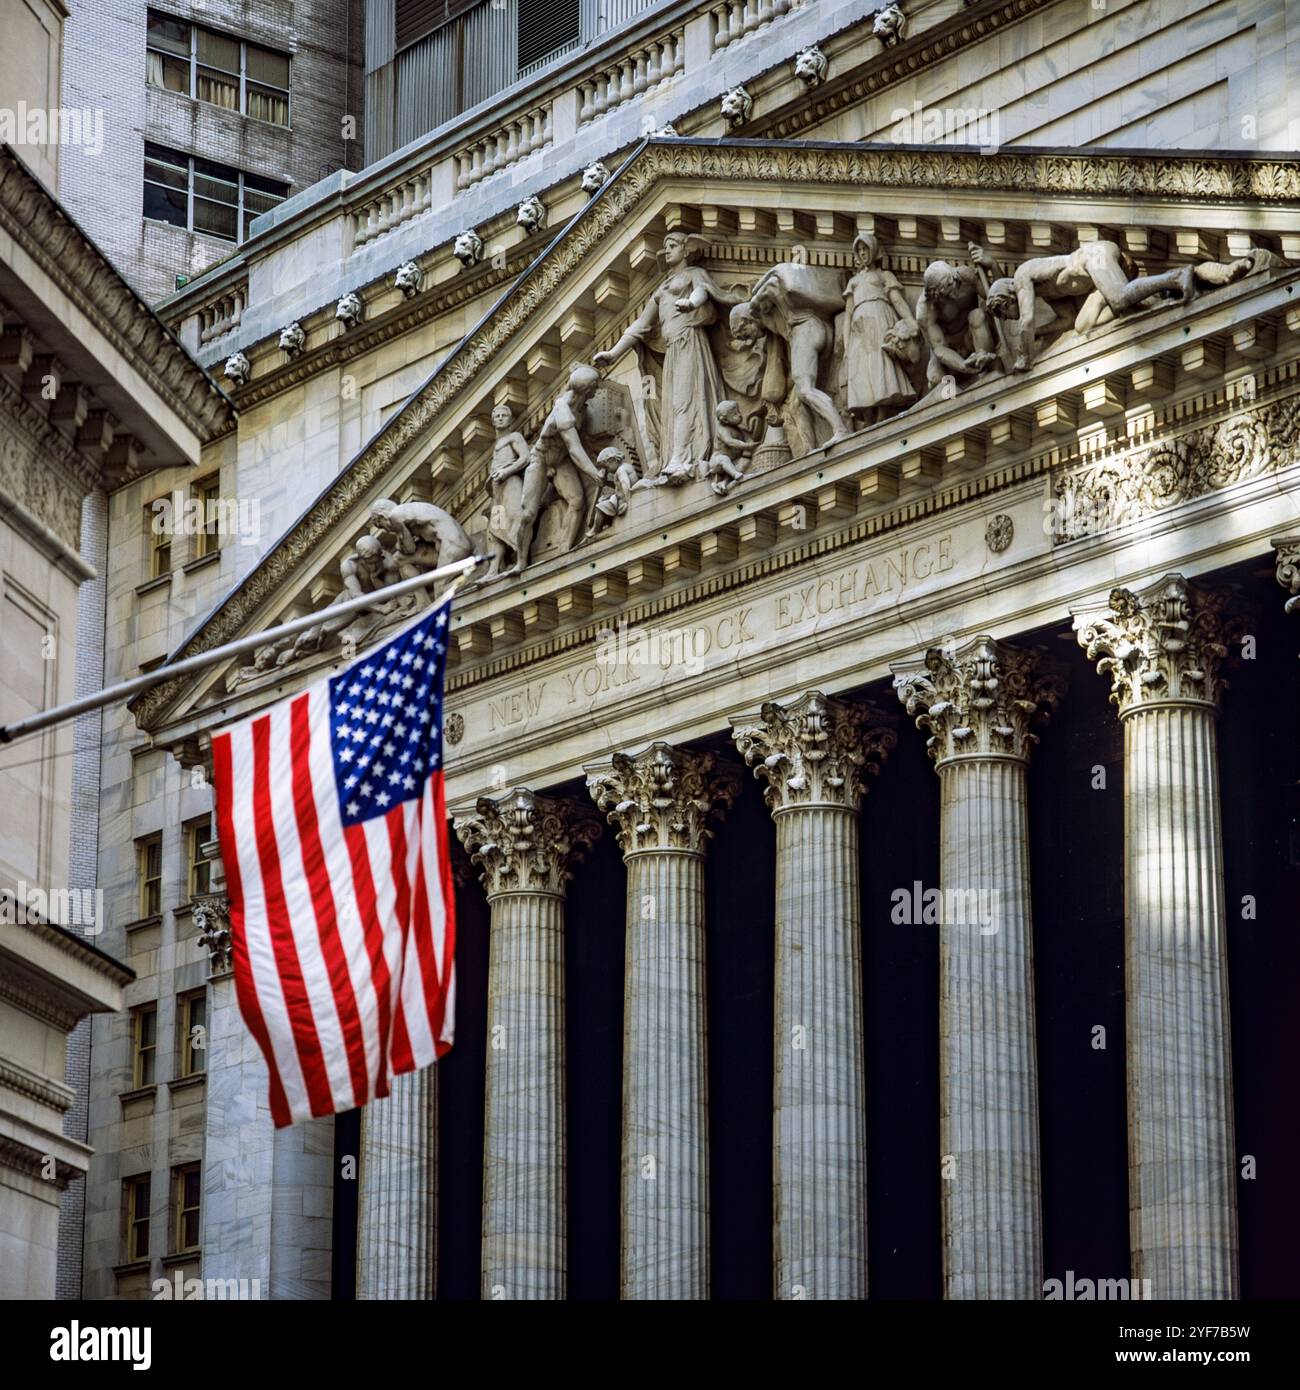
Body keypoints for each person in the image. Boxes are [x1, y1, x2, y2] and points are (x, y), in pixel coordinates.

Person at [592, 230, 744, 480]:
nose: (669, 249)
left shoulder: (694, 274)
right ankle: (677, 455)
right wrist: (613, 352)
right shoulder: (661, 290)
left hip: (689, 342)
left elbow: (703, 291)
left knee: (684, 400)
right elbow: (640, 326)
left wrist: (691, 304)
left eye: (673, 244)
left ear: (686, 249)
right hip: (674, 349)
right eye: (666, 246)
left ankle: (681, 459)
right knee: (673, 404)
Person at [842, 233, 917, 424]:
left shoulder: (884, 275)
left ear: (873, 250)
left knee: (879, 364)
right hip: (859, 328)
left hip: (879, 319)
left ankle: (883, 410)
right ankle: (868, 415)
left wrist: (910, 321)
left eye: (865, 249)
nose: (862, 253)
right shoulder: (854, 281)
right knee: (861, 368)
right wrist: (846, 345)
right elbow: (848, 314)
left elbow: (897, 301)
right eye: (859, 250)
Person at [485, 403, 531, 577]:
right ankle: (493, 569)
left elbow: (525, 458)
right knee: (495, 527)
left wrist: (506, 471)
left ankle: (521, 560)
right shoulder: (497, 443)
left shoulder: (515, 437)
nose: (500, 418)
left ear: (511, 419)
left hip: (511, 482)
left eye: (504, 415)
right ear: (493, 422)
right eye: (497, 416)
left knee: (517, 515)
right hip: (497, 489)